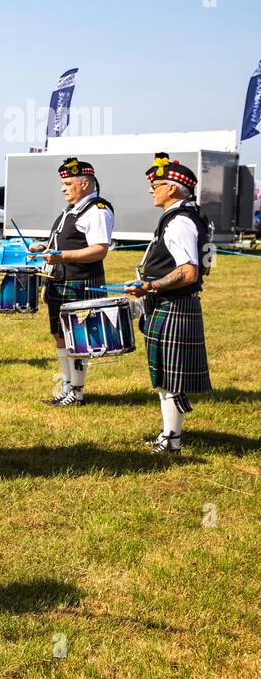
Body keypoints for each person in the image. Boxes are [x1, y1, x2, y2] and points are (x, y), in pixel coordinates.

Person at [125, 154, 212, 454]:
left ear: (173, 189)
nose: (152, 190)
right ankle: (168, 436)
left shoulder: (180, 222)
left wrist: (150, 286)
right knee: (166, 377)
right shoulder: (188, 216)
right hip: (173, 305)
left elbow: (189, 271)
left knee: (171, 379)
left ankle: (171, 440)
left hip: (174, 305)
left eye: (157, 185)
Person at [29, 158, 114, 406]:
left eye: (68, 183)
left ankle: (76, 392)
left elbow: (99, 250)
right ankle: (67, 387)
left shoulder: (97, 210)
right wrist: (44, 247)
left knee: (77, 338)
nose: (63, 188)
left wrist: (61, 256)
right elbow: (66, 241)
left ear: (85, 183)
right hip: (60, 281)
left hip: (80, 282)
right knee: (59, 335)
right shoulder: (72, 209)